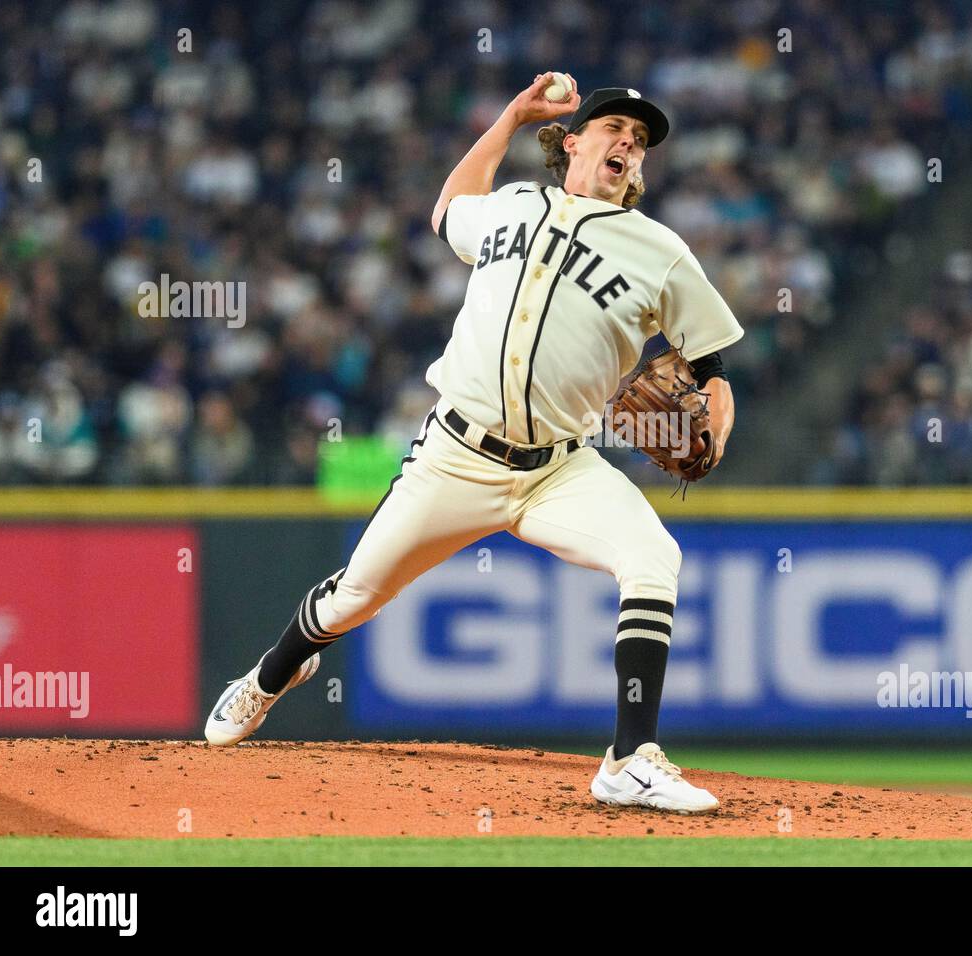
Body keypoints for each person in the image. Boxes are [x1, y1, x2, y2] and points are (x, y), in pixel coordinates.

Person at [204, 74, 744, 814]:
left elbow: (712, 370)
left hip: (561, 468)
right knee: (354, 597)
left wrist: (715, 426)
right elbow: (448, 208)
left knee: (655, 558)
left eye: (641, 138)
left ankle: (629, 759)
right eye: (614, 127)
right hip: (454, 456)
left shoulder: (662, 252)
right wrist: (513, 117)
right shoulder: (517, 203)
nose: (628, 141)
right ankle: (269, 677)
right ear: (573, 141)